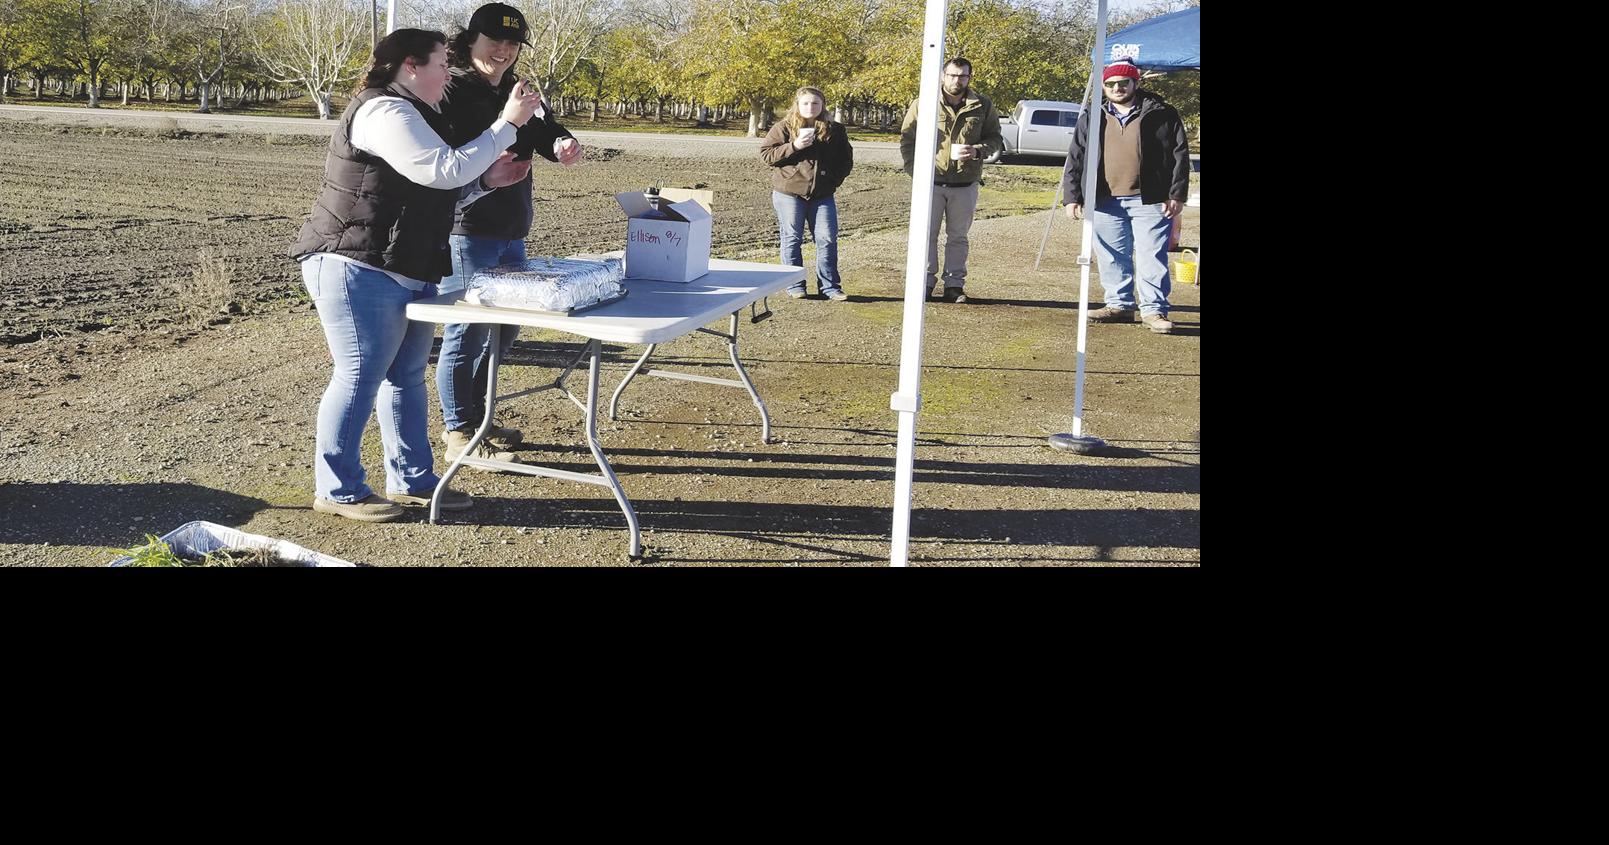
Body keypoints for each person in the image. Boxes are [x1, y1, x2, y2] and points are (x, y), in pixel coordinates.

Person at [289, 28, 542, 522]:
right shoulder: (384, 110)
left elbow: (436, 194)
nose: (448, 74)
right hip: (356, 264)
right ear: (410, 65)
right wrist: (506, 125)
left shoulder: (417, 115)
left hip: (403, 265)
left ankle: (413, 480)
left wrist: (485, 184)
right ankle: (337, 490)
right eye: (441, 65)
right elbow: (442, 171)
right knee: (360, 376)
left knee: (405, 376)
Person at [434, 3, 585, 467]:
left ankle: (480, 419)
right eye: (493, 41)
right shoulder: (450, 89)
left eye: (512, 44)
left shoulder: (519, 91)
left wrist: (560, 142)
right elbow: (446, 157)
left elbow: (542, 127)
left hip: (512, 225)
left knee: (505, 327)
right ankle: (458, 428)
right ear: (469, 40)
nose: (502, 51)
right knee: (469, 329)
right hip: (467, 228)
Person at [1062, 58, 1191, 334]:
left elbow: (1180, 156)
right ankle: (1119, 304)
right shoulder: (1093, 115)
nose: (1117, 88)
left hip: (1151, 199)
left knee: (1151, 256)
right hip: (1105, 198)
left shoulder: (1162, 113)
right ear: (1104, 86)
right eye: (1111, 84)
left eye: (1123, 83)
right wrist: (1072, 196)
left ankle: (1154, 310)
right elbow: (1076, 157)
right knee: (1110, 255)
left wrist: (1176, 194)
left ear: (1136, 82)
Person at [899, 56, 1002, 304]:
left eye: (963, 76)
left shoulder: (983, 105)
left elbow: (995, 140)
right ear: (943, 76)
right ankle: (924, 282)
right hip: (930, 183)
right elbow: (907, 140)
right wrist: (915, 171)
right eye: (953, 75)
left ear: (969, 77)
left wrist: (977, 150)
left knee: (958, 237)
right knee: (926, 235)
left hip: (964, 183)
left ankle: (954, 285)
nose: (957, 80)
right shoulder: (923, 103)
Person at [759, 85, 854, 301]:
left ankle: (829, 287)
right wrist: (794, 146)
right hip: (789, 193)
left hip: (822, 194)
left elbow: (846, 160)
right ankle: (794, 285)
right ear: (797, 105)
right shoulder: (783, 128)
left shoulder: (835, 130)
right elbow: (767, 155)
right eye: (806, 103)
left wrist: (833, 181)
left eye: (815, 103)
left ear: (822, 105)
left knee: (827, 238)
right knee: (792, 238)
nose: (811, 107)